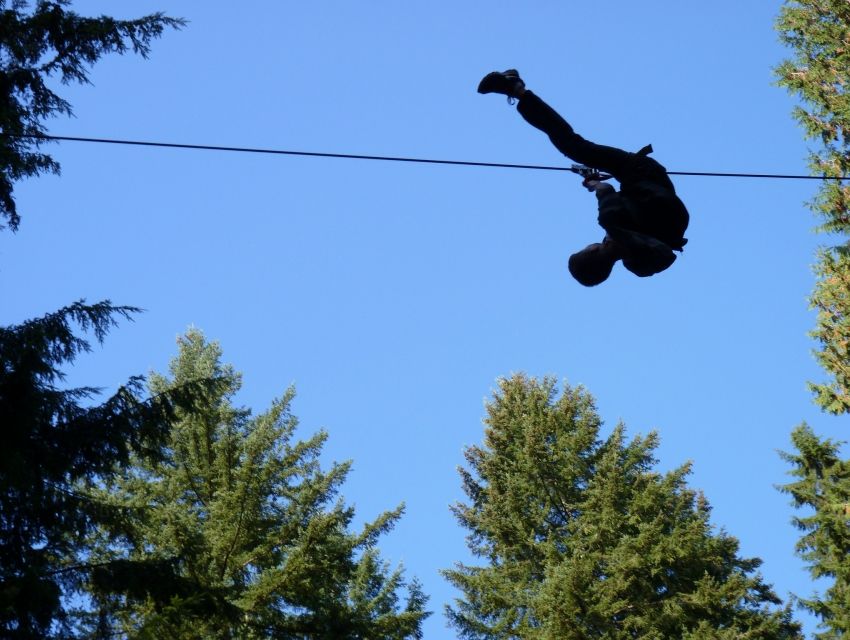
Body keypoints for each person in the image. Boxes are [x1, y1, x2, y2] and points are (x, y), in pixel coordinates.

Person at [478, 69, 689, 286]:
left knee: (577, 149)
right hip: (639, 171)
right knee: (572, 146)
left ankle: (517, 90)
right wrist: (593, 184)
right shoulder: (611, 223)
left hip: (649, 182)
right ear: (593, 251)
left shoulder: (640, 261)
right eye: (586, 248)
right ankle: (516, 88)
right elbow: (606, 190)